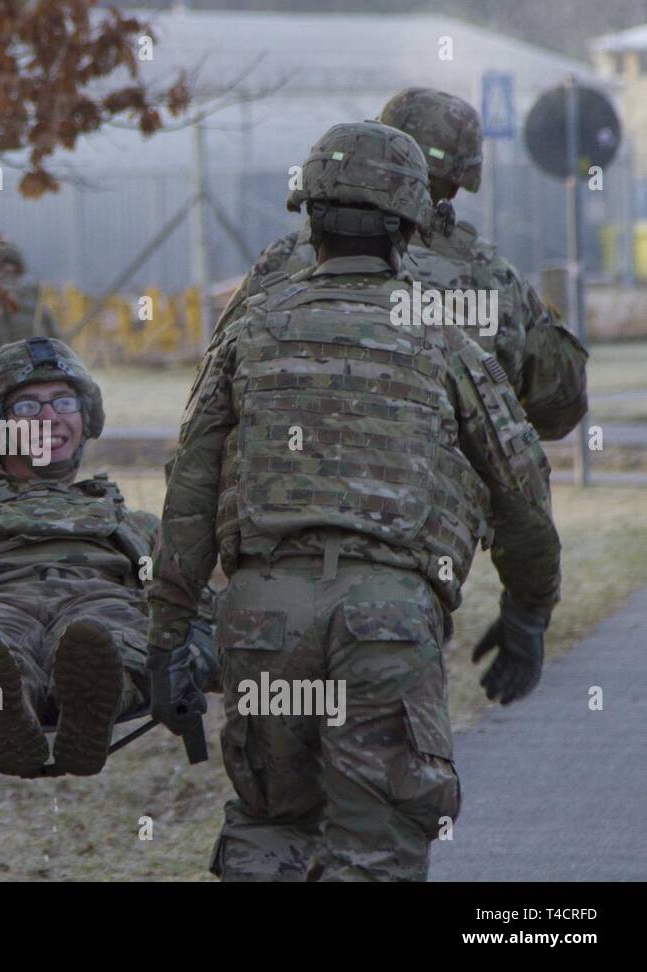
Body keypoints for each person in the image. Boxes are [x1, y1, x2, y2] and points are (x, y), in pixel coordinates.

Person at [147, 121, 561, 881]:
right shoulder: (443, 340)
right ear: (407, 226)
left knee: (269, 833)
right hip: (385, 621)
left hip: (264, 616)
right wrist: (529, 612)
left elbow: (191, 487)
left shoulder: (252, 328)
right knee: (375, 847)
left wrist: (169, 632)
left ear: (310, 222)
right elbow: (521, 486)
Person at [215, 88, 587, 441]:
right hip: (438, 501)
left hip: (288, 493)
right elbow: (560, 407)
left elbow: (216, 390)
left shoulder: (286, 258)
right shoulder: (491, 277)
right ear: (457, 185)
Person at [0, 337, 161, 777]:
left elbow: (188, 614)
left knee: (106, 633)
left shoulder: (135, 524)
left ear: (87, 418)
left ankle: (85, 705)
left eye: (64, 402)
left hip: (98, 603)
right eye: (28, 408)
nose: (50, 418)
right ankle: (8, 706)